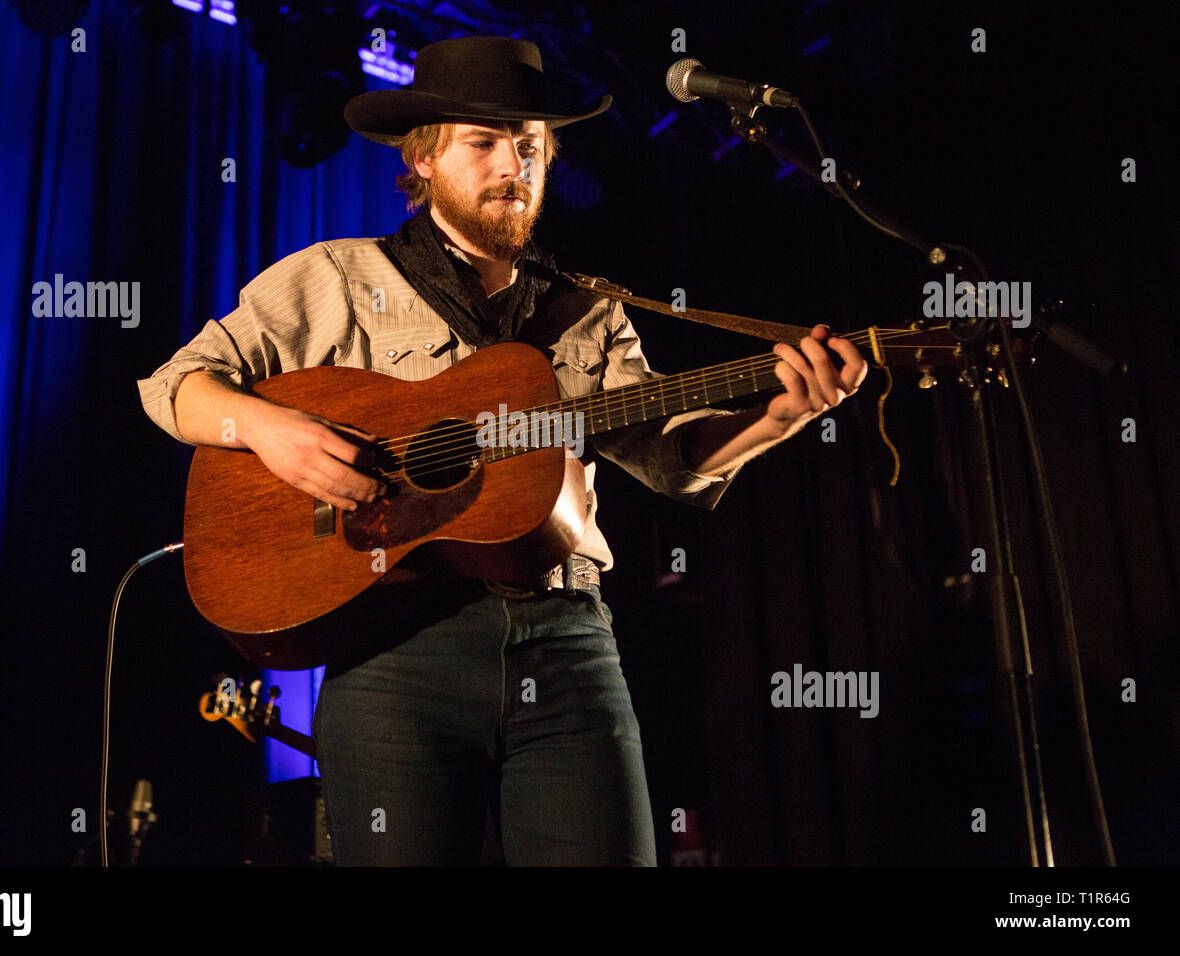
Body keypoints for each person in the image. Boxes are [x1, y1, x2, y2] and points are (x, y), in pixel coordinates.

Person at [137, 36, 866, 865]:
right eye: (483, 142)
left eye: (529, 145)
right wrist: (273, 431)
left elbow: (668, 458)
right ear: (424, 158)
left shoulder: (588, 310)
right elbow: (174, 386)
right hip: (395, 649)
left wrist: (780, 416)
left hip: (569, 642)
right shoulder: (338, 277)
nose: (512, 165)